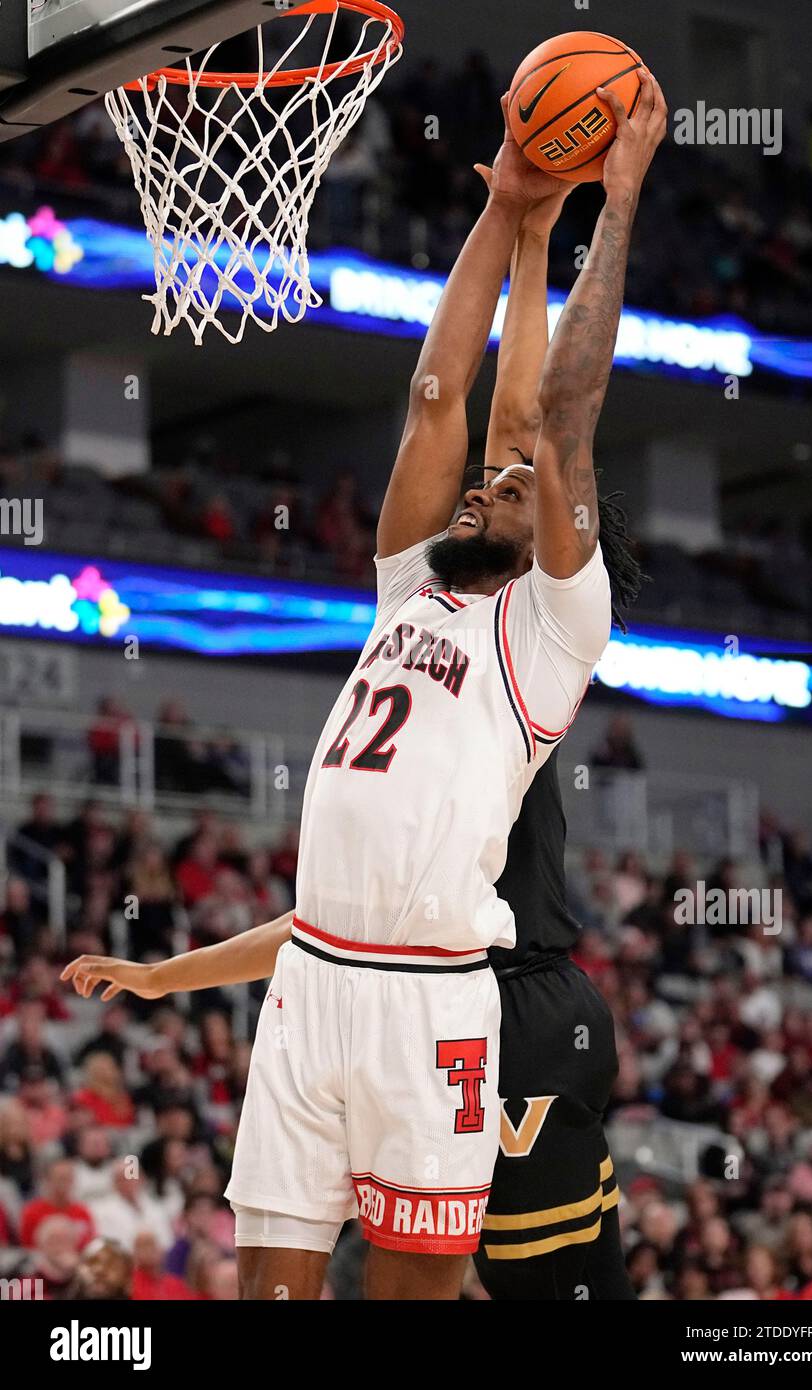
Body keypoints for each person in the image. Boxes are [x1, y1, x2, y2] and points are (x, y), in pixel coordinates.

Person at [64, 70, 667, 1301]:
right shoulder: (409, 589)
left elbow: (552, 419)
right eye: (481, 482)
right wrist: (504, 213)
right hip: (310, 986)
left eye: (503, 489)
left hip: (433, 1013)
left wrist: (615, 203)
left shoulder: (548, 626)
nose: (482, 481)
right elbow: (437, 397)